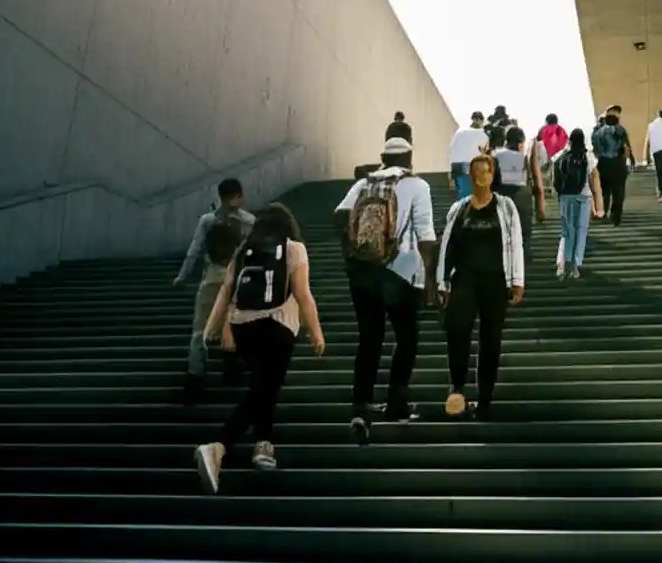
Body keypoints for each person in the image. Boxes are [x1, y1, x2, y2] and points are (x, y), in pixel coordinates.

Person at [194, 203, 325, 494]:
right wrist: (315, 331)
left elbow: (226, 290)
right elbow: (303, 294)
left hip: (243, 326)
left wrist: (212, 328)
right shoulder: (293, 248)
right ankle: (219, 446)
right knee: (264, 388)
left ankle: (263, 446)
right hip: (277, 325)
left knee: (263, 386)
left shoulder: (244, 249)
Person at [335, 137, 438, 444]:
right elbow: (427, 236)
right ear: (409, 157)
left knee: (369, 339)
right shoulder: (418, 186)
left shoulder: (362, 185)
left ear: (382, 157)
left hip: (363, 273)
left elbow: (339, 216)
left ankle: (360, 407)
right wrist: (430, 280)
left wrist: (353, 255)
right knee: (406, 337)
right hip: (401, 272)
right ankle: (396, 403)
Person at [437, 153, 525, 421]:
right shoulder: (459, 208)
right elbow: (447, 246)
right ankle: (458, 388)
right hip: (464, 279)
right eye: (477, 171)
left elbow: (516, 243)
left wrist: (517, 280)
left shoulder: (506, 206)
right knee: (457, 330)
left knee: (491, 340)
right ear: (471, 176)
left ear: (493, 174)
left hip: (495, 282)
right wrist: (443, 281)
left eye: (487, 171)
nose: (482, 176)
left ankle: (485, 398)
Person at [174, 178, 256, 404]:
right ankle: (232, 365)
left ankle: (195, 377)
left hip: (213, 277)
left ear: (220, 196)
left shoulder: (207, 220)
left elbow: (194, 250)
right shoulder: (249, 221)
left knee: (200, 328)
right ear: (239, 195)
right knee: (237, 323)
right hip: (239, 278)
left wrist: (182, 277)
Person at [553, 128, 604, 280]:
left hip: (566, 196)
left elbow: (554, 176)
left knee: (567, 231)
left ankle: (562, 263)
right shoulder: (588, 156)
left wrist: (558, 193)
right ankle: (575, 265)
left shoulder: (561, 155)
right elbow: (595, 182)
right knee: (581, 231)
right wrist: (599, 207)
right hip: (583, 196)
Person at [493, 126, 544, 262]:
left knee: (503, 227)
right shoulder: (523, 157)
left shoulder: (496, 155)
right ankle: (524, 256)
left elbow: (493, 178)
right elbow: (532, 180)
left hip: (502, 193)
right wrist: (540, 207)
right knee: (524, 229)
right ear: (521, 142)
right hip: (523, 195)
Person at [592, 107, 633, 226]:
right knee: (619, 190)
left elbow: (596, 149)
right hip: (618, 163)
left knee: (605, 190)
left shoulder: (598, 133)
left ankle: (603, 211)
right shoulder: (621, 130)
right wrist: (630, 161)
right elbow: (626, 147)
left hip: (603, 162)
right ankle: (616, 215)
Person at [448, 111, 489, 199]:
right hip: (471, 164)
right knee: (472, 193)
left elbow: (451, 148)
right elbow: (484, 151)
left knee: (462, 193)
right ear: (480, 120)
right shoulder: (482, 134)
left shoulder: (460, 131)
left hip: (456, 164)